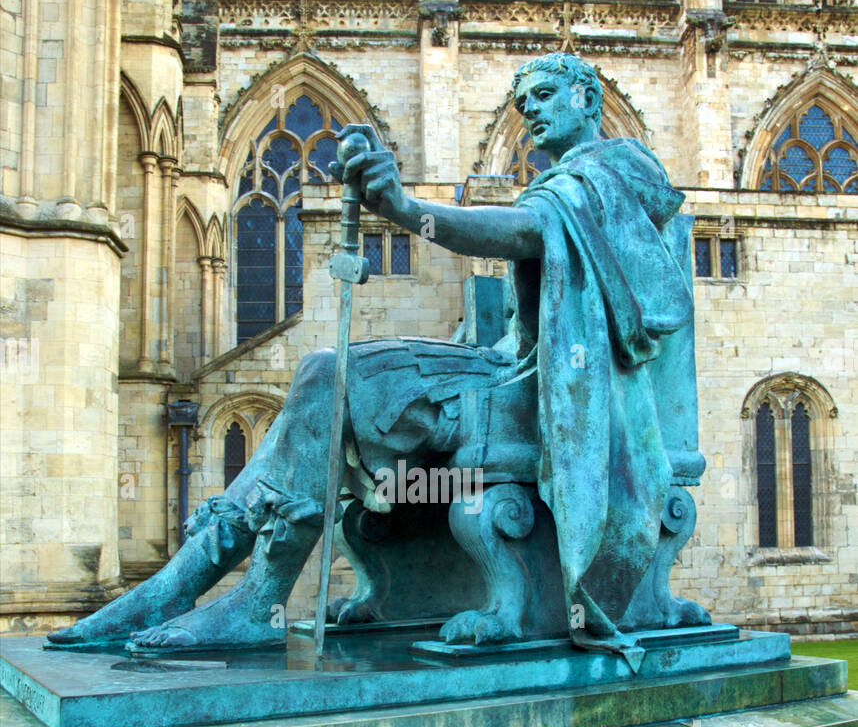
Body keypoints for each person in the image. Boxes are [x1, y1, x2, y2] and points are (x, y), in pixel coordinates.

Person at [47, 52, 692, 651]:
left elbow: (526, 231)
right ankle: (186, 587)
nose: (532, 113)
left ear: (587, 97)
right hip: (510, 366)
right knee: (324, 372)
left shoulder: (616, 173)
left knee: (330, 375)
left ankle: (237, 598)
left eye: (546, 96)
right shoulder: (565, 184)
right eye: (523, 104)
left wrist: (406, 209)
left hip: (557, 394)